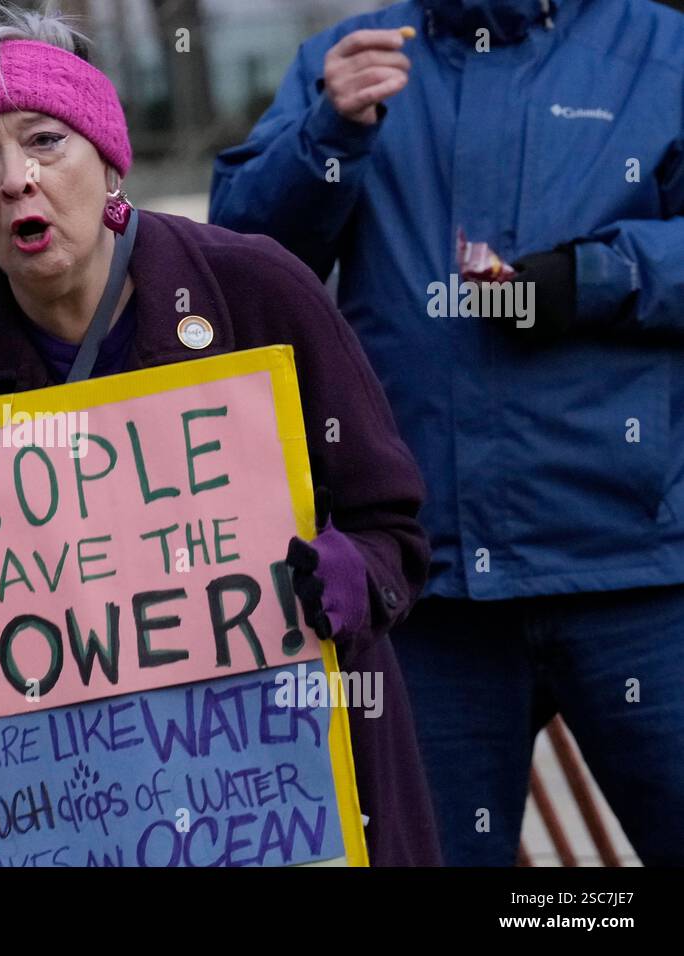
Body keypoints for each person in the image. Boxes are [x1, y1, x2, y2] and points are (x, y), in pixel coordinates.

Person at [0, 7, 443, 866]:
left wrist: (356, 577)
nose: (15, 180)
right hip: (56, 808)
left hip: (289, 787)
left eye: (45, 140)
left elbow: (395, 529)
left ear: (109, 158)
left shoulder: (253, 289)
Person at [209, 0, 684, 865]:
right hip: (426, 587)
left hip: (634, 566)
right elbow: (231, 271)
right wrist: (327, 136)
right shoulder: (346, 59)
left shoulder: (662, 47)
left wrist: (598, 277)